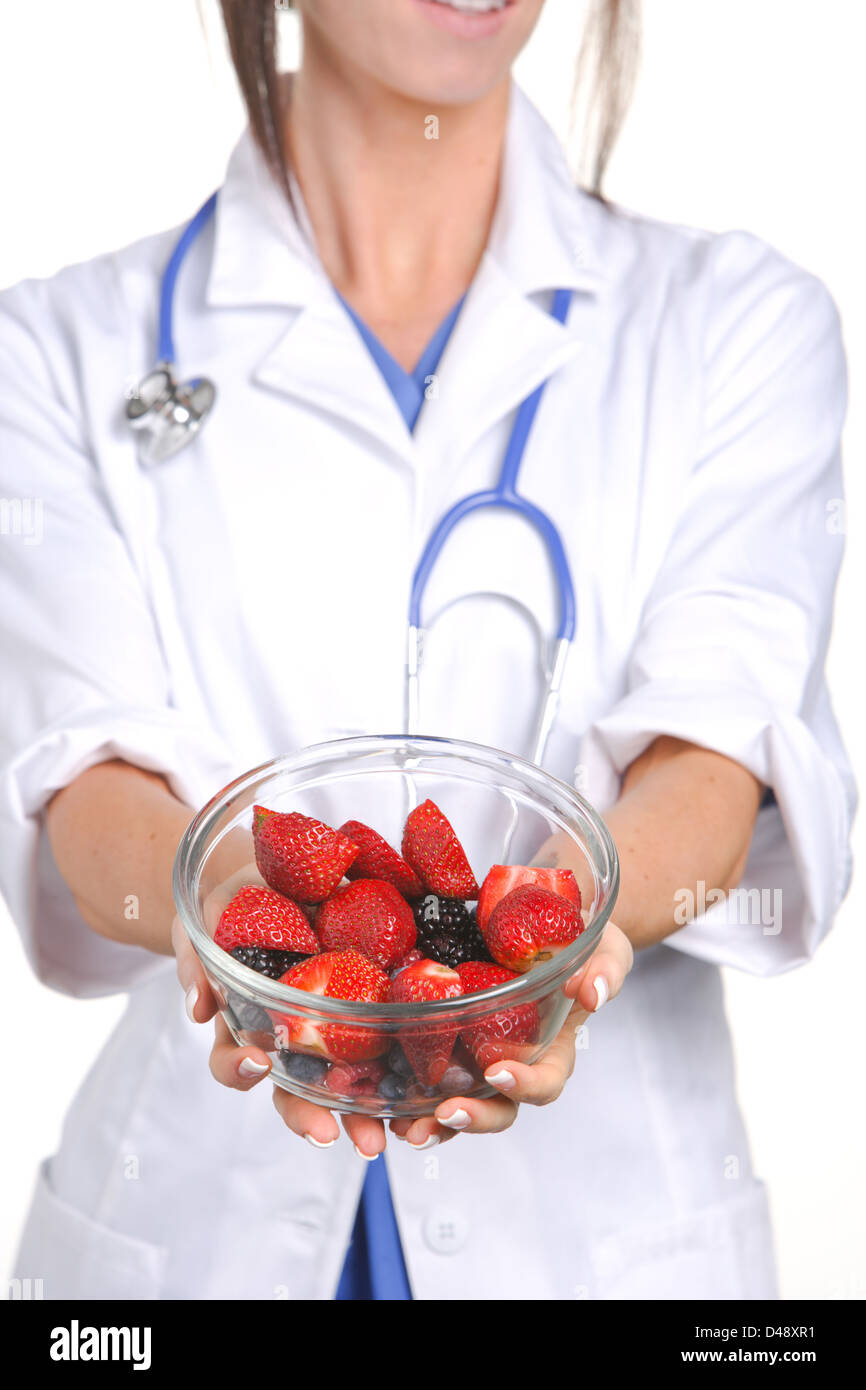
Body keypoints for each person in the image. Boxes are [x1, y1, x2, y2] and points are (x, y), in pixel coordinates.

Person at [0, 0, 853, 1301]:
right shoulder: (54, 350)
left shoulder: (740, 321)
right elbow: (83, 779)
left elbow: (715, 765)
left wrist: (548, 945)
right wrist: (244, 925)